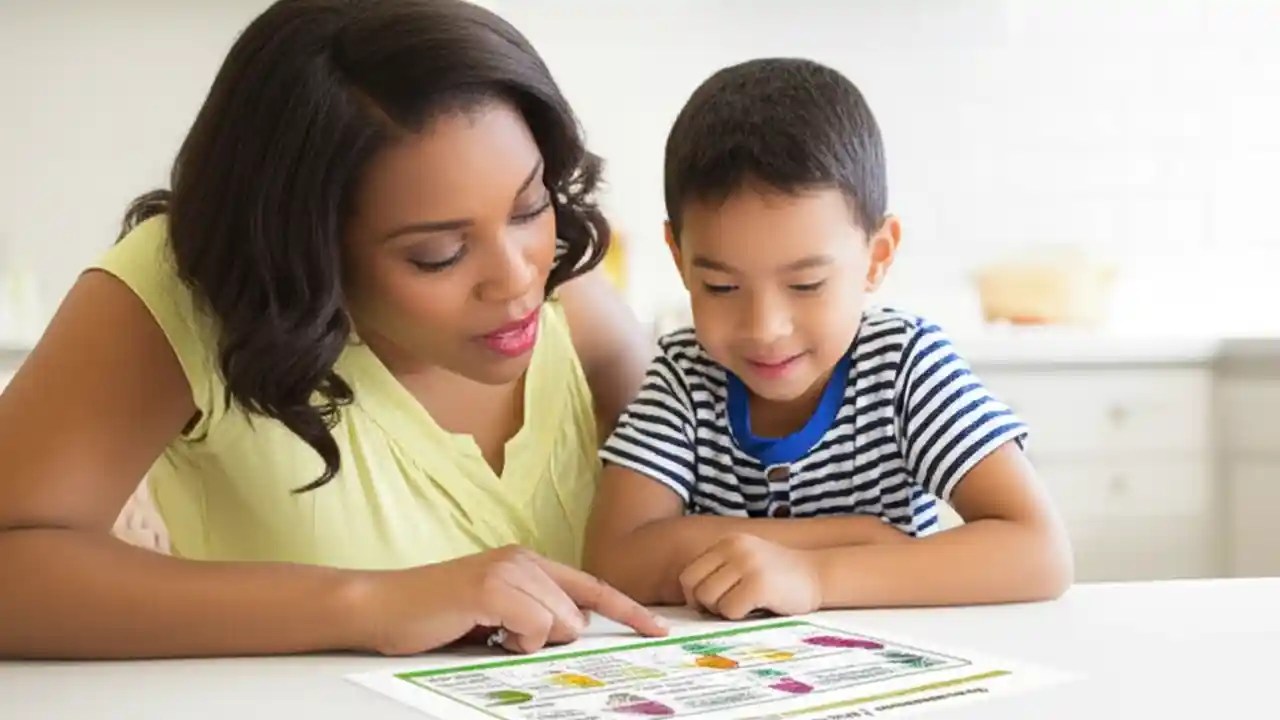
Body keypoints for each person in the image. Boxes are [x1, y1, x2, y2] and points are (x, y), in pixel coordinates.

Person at [0, 0, 669, 660]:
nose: (517, 279)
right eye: (437, 254)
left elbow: (713, 470)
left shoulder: (560, 285)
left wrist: (772, 552)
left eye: (529, 206)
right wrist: (372, 604)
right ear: (303, 247)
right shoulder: (190, 286)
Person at [584, 58, 1073, 618]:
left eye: (806, 283)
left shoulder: (904, 366)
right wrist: (858, 538)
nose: (765, 328)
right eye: (720, 286)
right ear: (679, 258)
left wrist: (816, 577)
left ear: (876, 256)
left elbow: (1040, 552)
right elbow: (612, 560)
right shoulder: (684, 376)